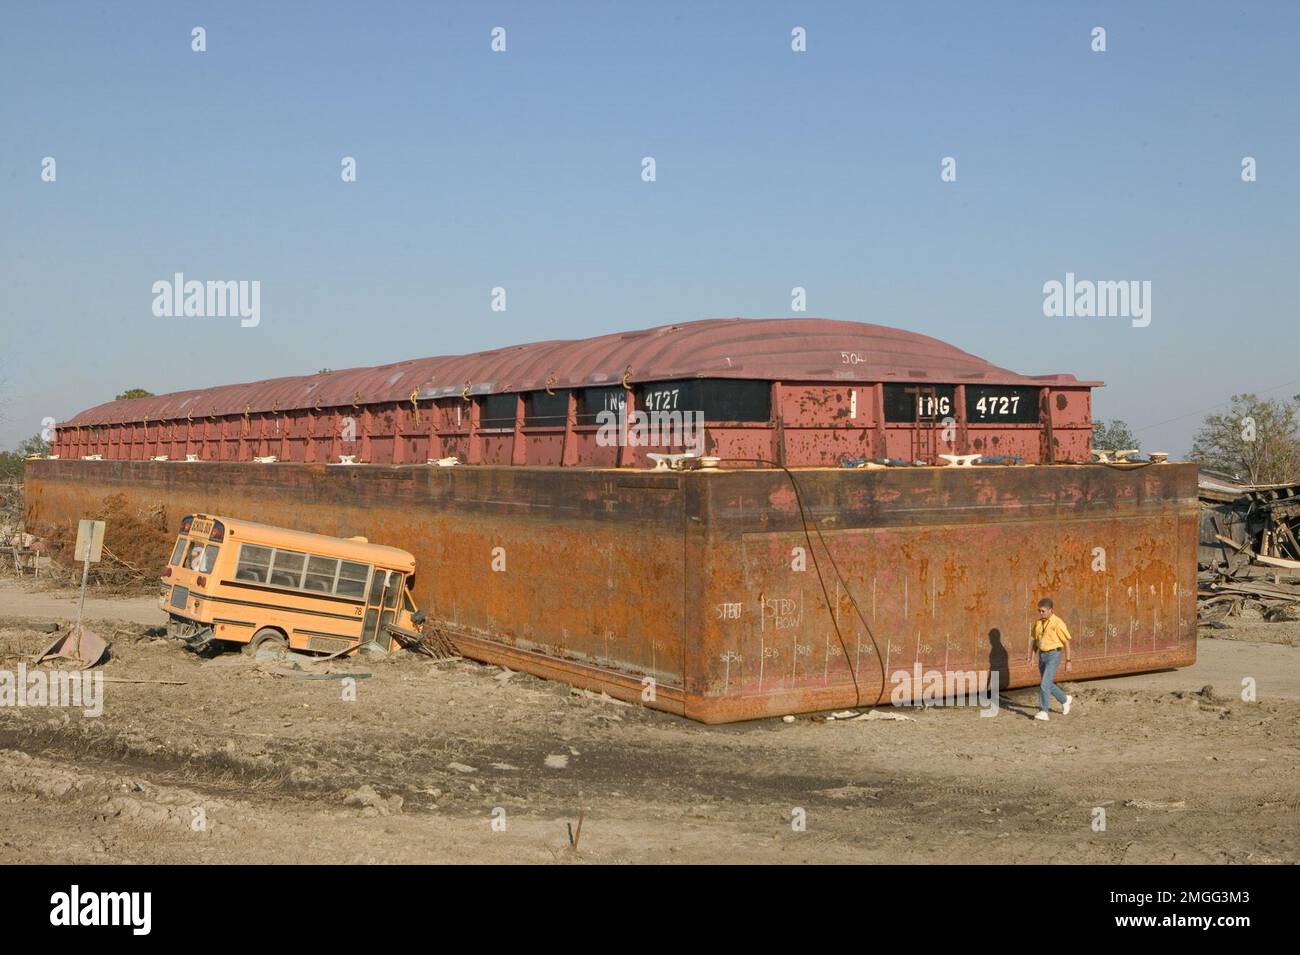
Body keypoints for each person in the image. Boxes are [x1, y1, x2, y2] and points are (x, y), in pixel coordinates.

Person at [1028, 597, 1072, 721]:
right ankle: (1065, 699)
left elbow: (1066, 642)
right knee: (1047, 684)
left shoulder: (1058, 623)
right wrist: (1032, 657)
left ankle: (1044, 711)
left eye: (1043, 611)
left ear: (1050, 610)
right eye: (1039, 611)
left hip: (1054, 655)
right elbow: (1035, 641)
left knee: (1044, 684)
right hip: (1042, 655)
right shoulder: (1038, 623)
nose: (1040, 613)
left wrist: (1068, 661)